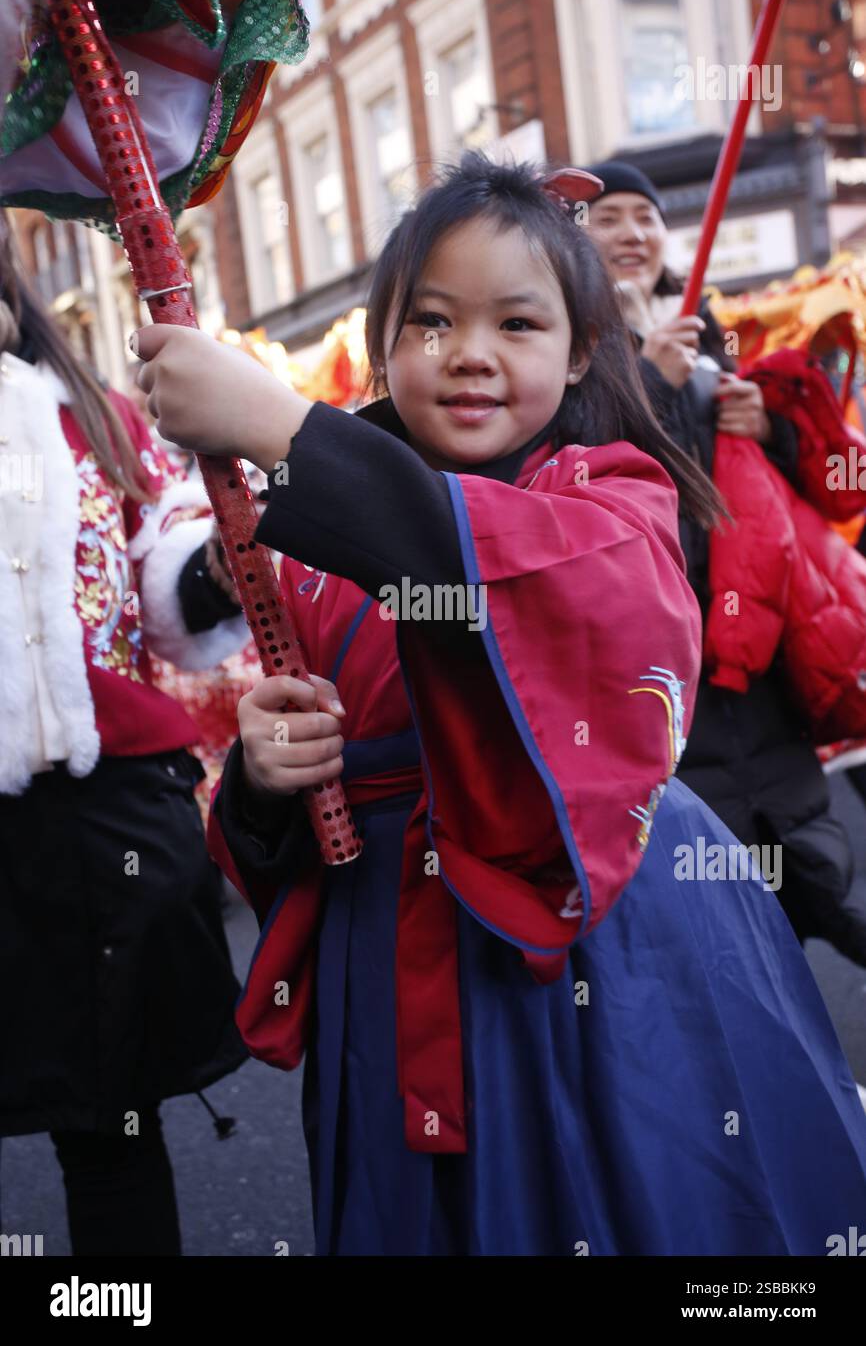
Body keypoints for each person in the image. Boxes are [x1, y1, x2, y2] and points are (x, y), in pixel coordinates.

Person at [134, 153, 866, 1256]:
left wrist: (286, 432)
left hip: (598, 956)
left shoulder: (611, 500)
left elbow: (518, 576)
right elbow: (289, 824)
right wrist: (264, 780)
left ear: (578, 350)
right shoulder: (317, 557)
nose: (467, 354)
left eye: (516, 324)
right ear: (383, 344)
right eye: (429, 321)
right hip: (386, 964)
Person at [0, 217, 250, 1256]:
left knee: (110, 1131)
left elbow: (164, 589)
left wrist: (221, 566)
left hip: (111, 825)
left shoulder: (95, 419)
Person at [585, 159, 866, 969]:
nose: (633, 231)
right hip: (663, 667)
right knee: (716, 910)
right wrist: (653, 382)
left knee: (810, 866)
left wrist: (761, 424)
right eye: (610, 217)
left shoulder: (705, 324)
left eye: (646, 215)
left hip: (757, 655)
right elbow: (582, 470)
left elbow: (774, 487)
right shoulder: (565, 339)